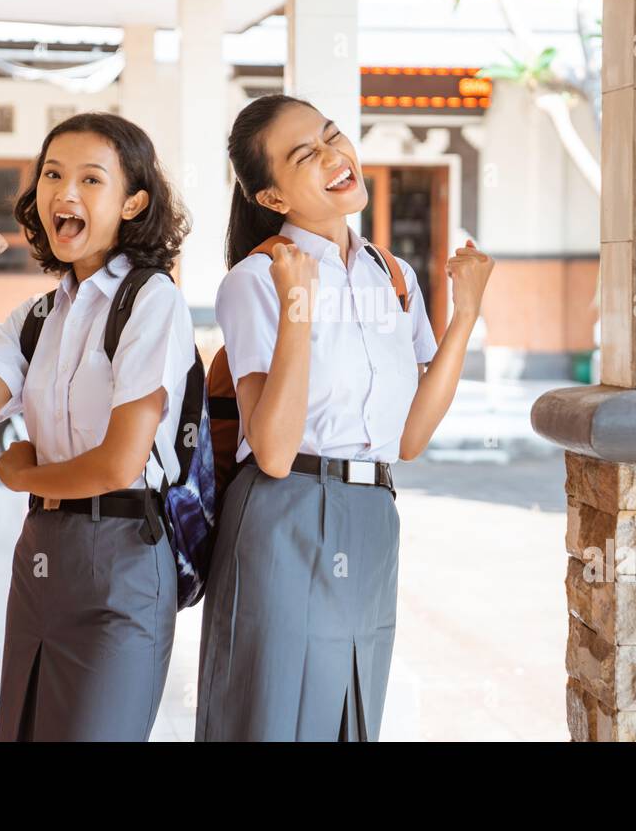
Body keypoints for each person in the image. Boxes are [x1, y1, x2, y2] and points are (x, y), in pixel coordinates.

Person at [195, 94, 494, 741]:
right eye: (306, 154)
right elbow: (271, 452)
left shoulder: (393, 275)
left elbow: (409, 440)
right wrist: (297, 306)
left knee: (349, 715)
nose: (335, 156)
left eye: (333, 137)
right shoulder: (255, 281)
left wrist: (464, 315)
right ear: (272, 198)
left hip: (372, 514)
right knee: (270, 713)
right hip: (285, 510)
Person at [0, 112, 193, 741]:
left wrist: (28, 472)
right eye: (53, 174)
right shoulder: (36, 316)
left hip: (127, 553)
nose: (65, 193)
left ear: (134, 202)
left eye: (90, 179)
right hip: (43, 554)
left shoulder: (150, 300)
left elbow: (119, 462)